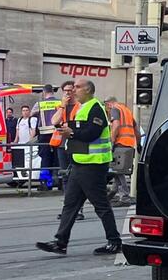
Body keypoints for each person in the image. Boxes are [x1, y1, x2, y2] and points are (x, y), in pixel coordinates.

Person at [35, 79, 122, 256]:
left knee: (101, 205)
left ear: (88, 90)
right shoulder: (81, 107)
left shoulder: (95, 106)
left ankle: (114, 241)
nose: (74, 90)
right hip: (80, 163)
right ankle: (60, 242)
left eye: (77, 87)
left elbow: (92, 133)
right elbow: (61, 124)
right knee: (70, 204)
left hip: (93, 165)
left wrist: (72, 132)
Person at [52, 80, 83, 219]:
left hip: (75, 144)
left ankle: (78, 210)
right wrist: (62, 106)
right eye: (65, 91)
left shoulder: (80, 106)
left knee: (76, 177)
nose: (68, 93)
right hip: (61, 144)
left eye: (70, 90)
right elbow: (54, 122)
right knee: (65, 176)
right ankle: (68, 209)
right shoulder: (60, 106)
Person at [105, 96, 137, 206]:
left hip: (120, 142)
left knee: (118, 170)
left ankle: (124, 196)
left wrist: (112, 142)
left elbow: (116, 125)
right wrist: (139, 143)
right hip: (129, 143)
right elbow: (135, 127)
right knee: (119, 170)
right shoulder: (127, 110)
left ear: (108, 104)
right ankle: (113, 193)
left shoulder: (115, 109)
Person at [34, 86, 62, 190]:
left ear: (44, 92)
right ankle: (60, 182)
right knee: (58, 157)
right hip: (58, 133)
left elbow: (32, 114)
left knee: (45, 158)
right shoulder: (59, 103)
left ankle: (46, 184)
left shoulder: (40, 104)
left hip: (44, 134)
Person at [14, 105, 38, 184]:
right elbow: (18, 132)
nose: (25, 112)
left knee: (28, 161)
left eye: (27, 110)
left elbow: (33, 131)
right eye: (23, 110)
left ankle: (28, 177)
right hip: (21, 144)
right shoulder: (19, 120)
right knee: (21, 163)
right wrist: (15, 141)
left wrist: (30, 142)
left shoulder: (32, 119)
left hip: (28, 145)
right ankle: (21, 177)